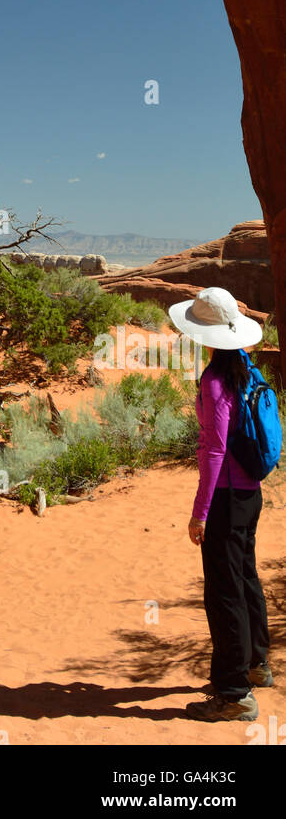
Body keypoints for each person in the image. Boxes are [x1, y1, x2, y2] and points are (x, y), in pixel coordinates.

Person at [168, 287, 272, 722]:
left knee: (224, 591)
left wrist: (200, 512)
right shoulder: (248, 369)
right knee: (244, 576)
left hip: (226, 498)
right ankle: (256, 664)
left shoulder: (215, 381)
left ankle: (233, 694)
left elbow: (213, 450)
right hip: (251, 495)